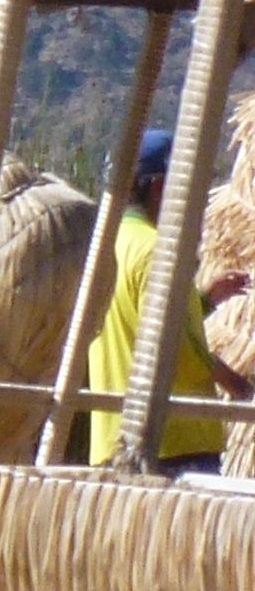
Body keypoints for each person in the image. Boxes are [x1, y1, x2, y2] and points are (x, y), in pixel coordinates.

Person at [86, 129, 252, 466]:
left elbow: (135, 322)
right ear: (161, 187)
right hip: (174, 442)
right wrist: (239, 385)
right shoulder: (157, 252)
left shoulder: (104, 247)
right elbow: (175, 346)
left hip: (112, 439)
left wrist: (203, 301)